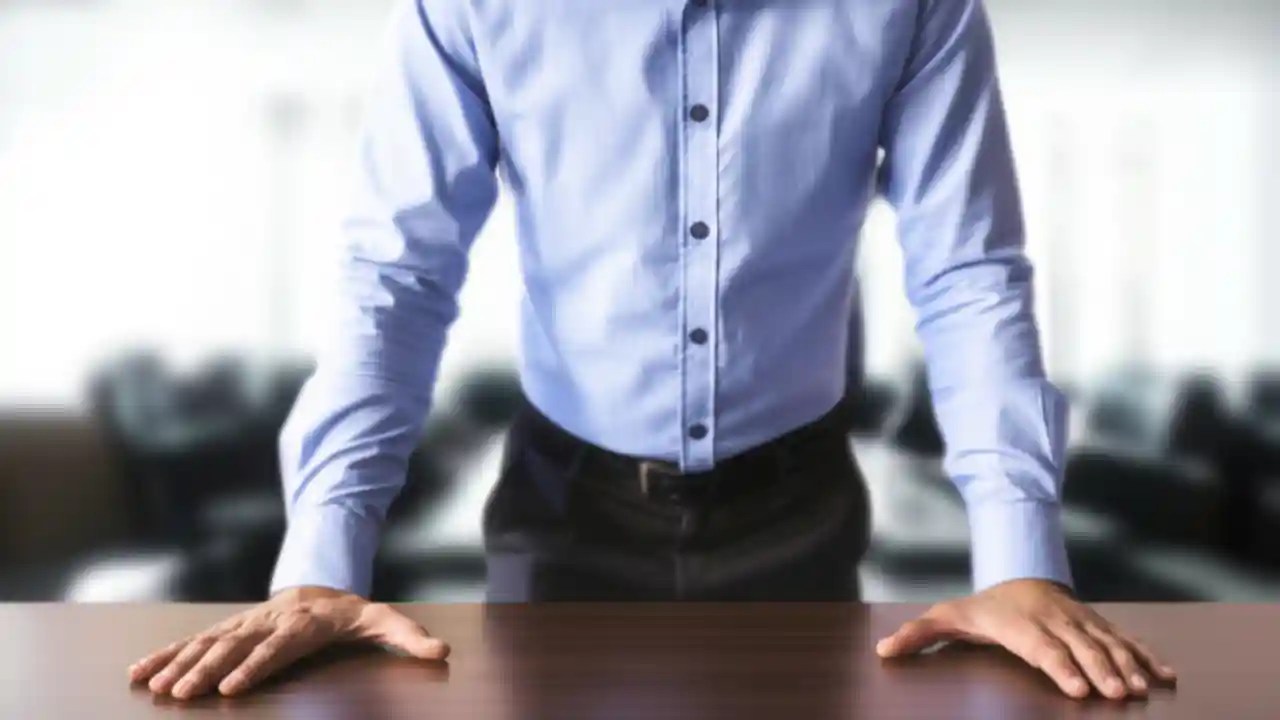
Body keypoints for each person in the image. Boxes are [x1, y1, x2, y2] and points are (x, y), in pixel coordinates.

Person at [128, 0, 1176, 701]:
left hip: (798, 511)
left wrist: (1019, 557)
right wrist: (320, 562)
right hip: (561, 510)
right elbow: (397, 277)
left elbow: (966, 270)